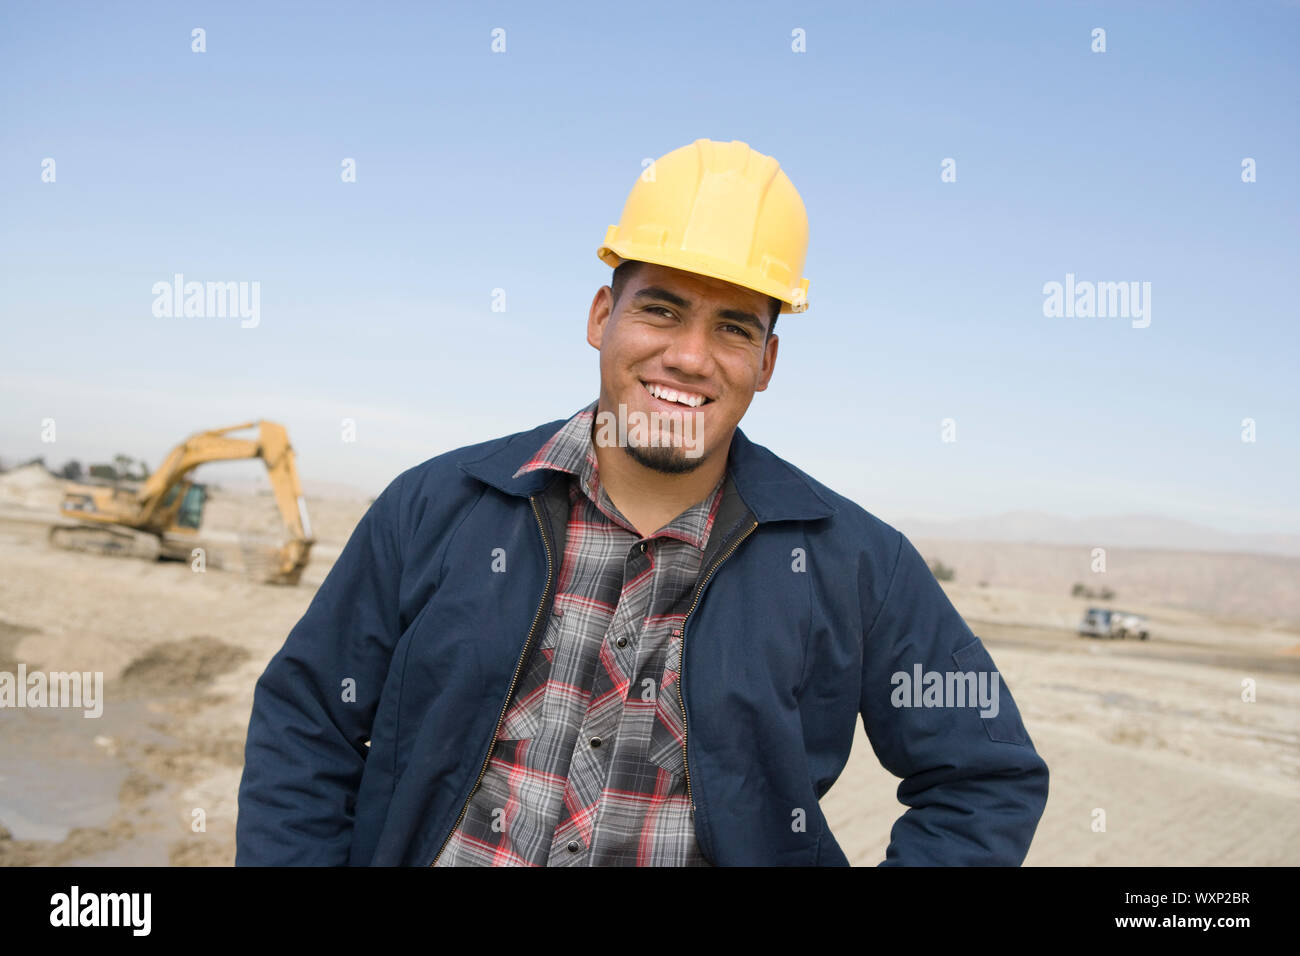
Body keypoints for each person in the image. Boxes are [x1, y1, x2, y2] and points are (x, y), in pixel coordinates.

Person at [236, 138, 1049, 866]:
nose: (690, 356)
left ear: (767, 363)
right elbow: (308, 721)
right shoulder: (438, 506)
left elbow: (987, 777)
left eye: (733, 329)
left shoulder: (856, 564)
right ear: (602, 317)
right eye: (661, 308)